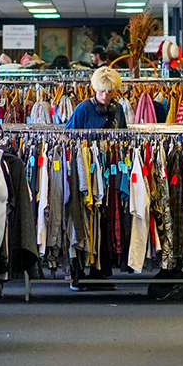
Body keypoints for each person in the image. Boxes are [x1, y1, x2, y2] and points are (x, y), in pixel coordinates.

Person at [65, 66, 125, 291]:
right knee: (83, 217)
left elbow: (124, 138)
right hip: (85, 169)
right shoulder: (82, 109)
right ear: (95, 89)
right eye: (102, 92)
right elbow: (69, 139)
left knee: (103, 219)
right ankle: (78, 272)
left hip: (108, 168)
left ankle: (99, 270)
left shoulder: (118, 110)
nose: (106, 96)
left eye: (110, 92)